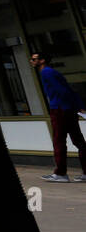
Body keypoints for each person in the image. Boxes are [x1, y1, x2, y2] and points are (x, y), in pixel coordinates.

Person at [31, 52, 86, 183]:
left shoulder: (46, 72)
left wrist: (68, 106)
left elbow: (62, 91)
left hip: (60, 109)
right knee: (79, 141)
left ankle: (61, 174)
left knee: (59, 141)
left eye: (34, 59)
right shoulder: (53, 72)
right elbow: (70, 90)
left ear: (42, 60)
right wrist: (78, 106)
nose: (31, 61)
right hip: (68, 109)